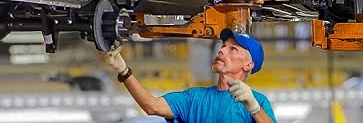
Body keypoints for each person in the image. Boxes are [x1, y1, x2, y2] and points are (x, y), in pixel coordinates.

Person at [98, 29, 276, 122]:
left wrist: (254, 108)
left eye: (233, 49)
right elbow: (152, 107)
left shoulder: (258, 102)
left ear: (248, 65)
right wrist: (123, 70)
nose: (222, 50)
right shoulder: (195, 98)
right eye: (223, 45)